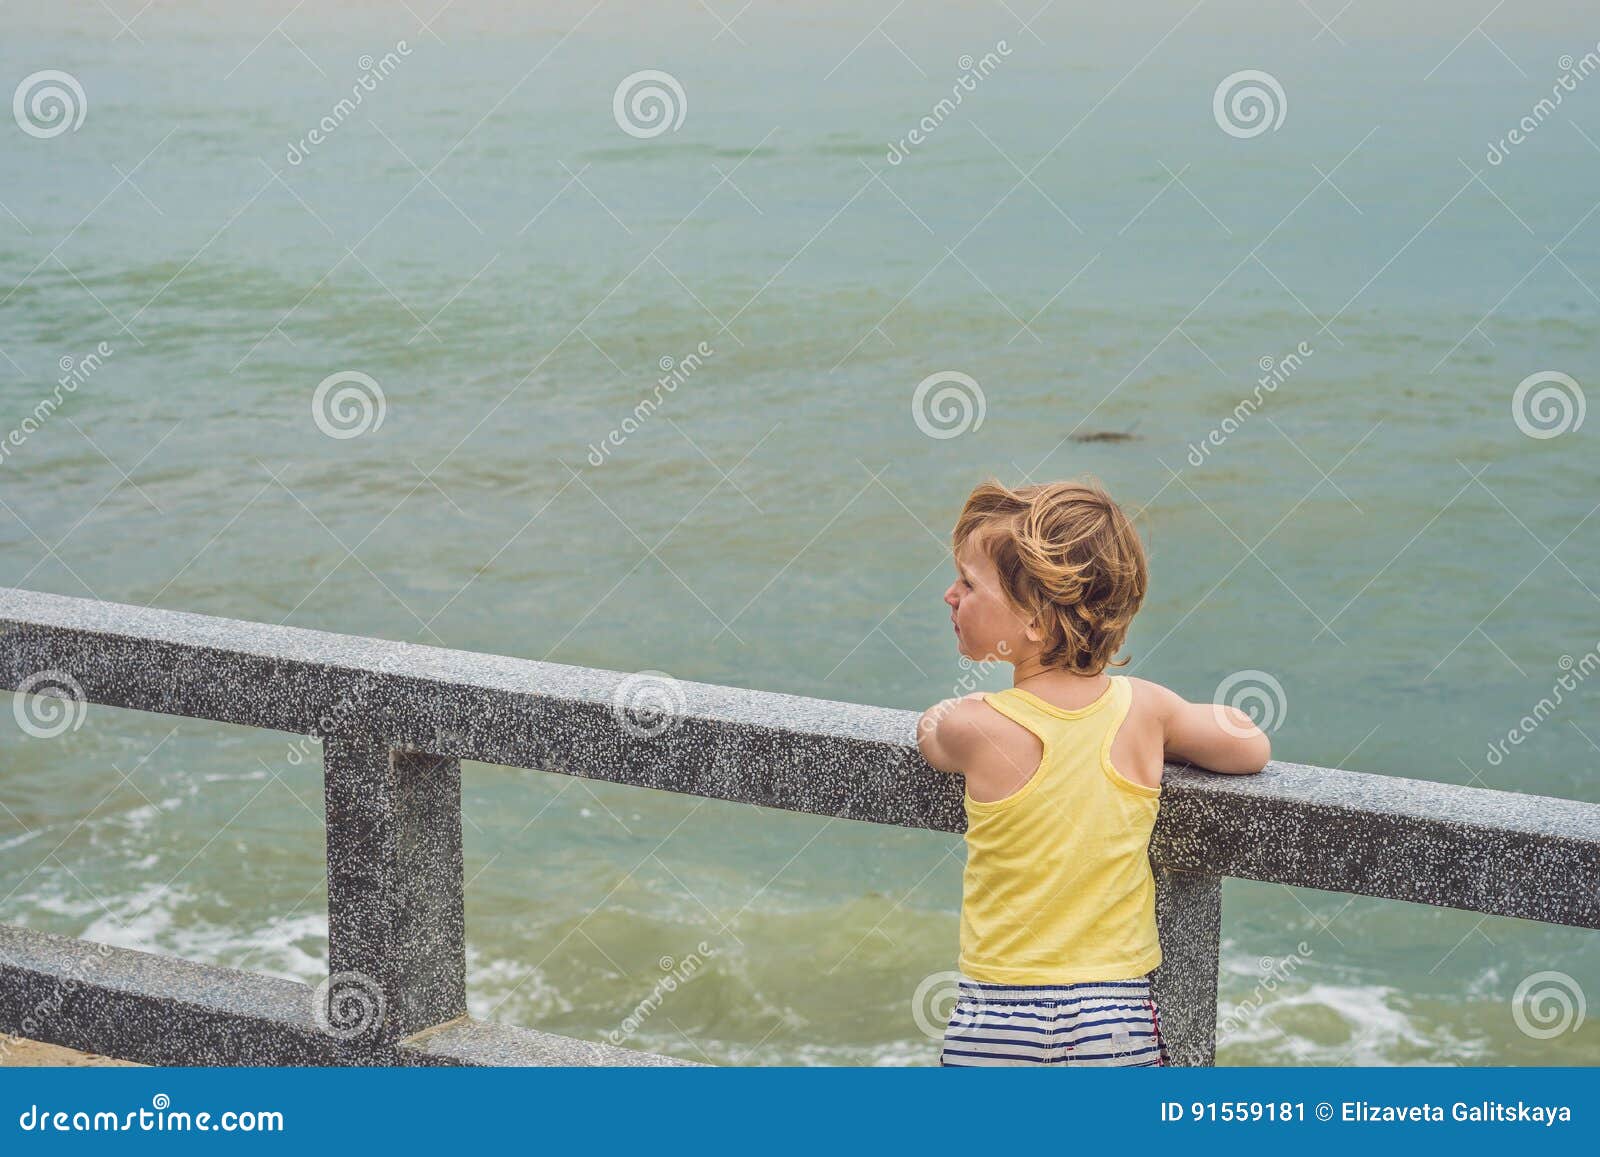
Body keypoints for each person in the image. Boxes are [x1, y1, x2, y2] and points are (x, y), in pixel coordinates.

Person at [916, 477, 1270, 1066]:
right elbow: (1249, 745)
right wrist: (1166, 738)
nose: (949, 596)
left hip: (999, 1010)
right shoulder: (1146, 710)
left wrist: (935, 717)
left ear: (1032, 620)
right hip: (1116, 1011)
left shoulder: (974, 726)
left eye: (967, 583)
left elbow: (934, 737)